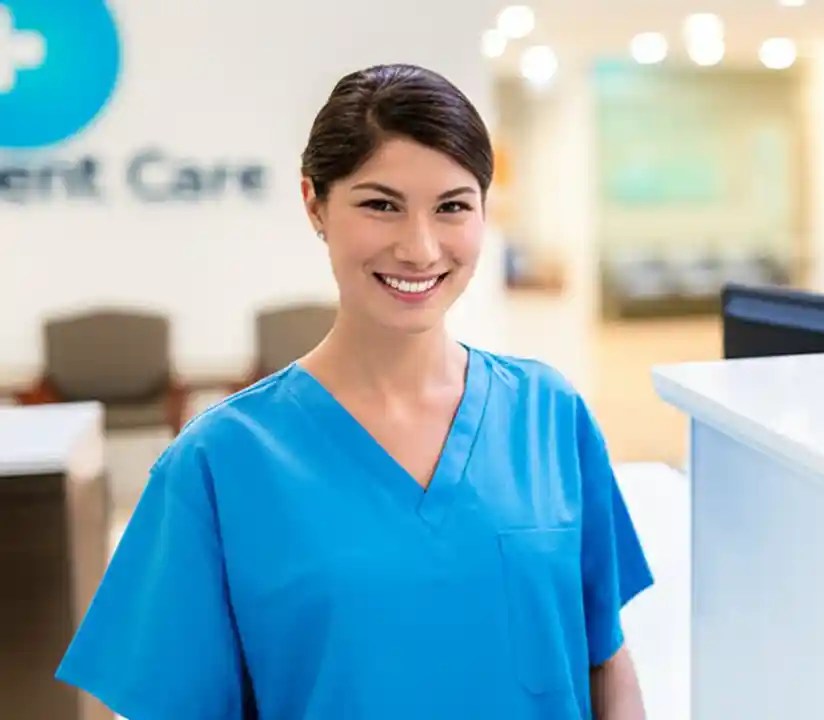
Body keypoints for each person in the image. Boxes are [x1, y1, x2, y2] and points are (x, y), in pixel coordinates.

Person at [56, 64, 653, 719]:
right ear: (314, 204)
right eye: (381, 205)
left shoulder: (549, 416)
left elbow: (605, 658)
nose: (420, 248)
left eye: (452, 206)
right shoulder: (220, 462)